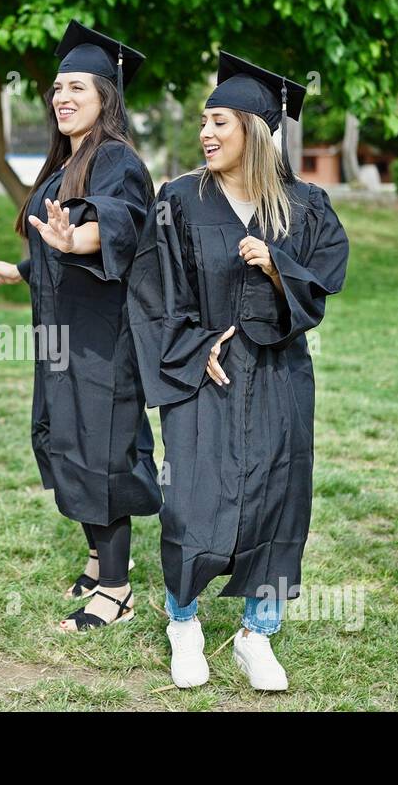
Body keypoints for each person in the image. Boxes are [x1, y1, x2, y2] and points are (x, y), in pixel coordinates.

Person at [128, 52, 348, 689]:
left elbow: (327, 278)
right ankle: (184, 623)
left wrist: (279, 266)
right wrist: (196, 348)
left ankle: (258, 635)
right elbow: (151, 292)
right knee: (192, 506)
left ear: (255, 129)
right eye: (203, 122)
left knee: (279, 504)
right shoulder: (178, 200)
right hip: (203, 375)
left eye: (220, 121)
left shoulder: (304, 206)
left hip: (278, 375)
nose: (207, 133)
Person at [0, 20, 161, 632]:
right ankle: (94, 555)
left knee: (99, 454)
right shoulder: (67, 162)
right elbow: (57, 245)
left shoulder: (116, 160)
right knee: (60, 441)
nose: (62, 97)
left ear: (106, 97)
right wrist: (24, 267)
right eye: (57, 87)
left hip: (101, 345)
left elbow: (121, 221)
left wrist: (80, 237)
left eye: (76, 86)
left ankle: (117, 590)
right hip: (62, 340)